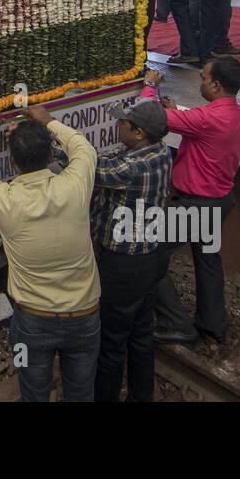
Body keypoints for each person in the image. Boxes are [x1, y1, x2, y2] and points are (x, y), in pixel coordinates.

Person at [0, 104, 100, 401]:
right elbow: (82, 148)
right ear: (52, 157)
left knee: (33, 392)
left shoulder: (6, 200)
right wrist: (48, 121)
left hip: (32, 326)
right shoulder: (76, 185)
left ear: (12, 162)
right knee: (81, 394)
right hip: (84, 318)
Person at [141, 58, 240, 345]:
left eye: (203, 78)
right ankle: (212, 324)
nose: (200, 82)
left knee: (146, 252)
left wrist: (149, 86)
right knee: (208, 263)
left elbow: (150, 117)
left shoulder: (208, 119)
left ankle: (176, 323)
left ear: (215, 85)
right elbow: (201, 133)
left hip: (197, 206)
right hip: (221, 201)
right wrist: (177, 112)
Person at [90, 98, 172, 401]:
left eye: (123, 123)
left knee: (111, 341)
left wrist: (50, 136)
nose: (118, 125)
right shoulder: (161, 152)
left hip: (123, 265)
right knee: (141, 333)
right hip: (152, 257)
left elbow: (91, 170)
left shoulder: (130, 167)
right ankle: (141, 395)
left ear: (138, 132)